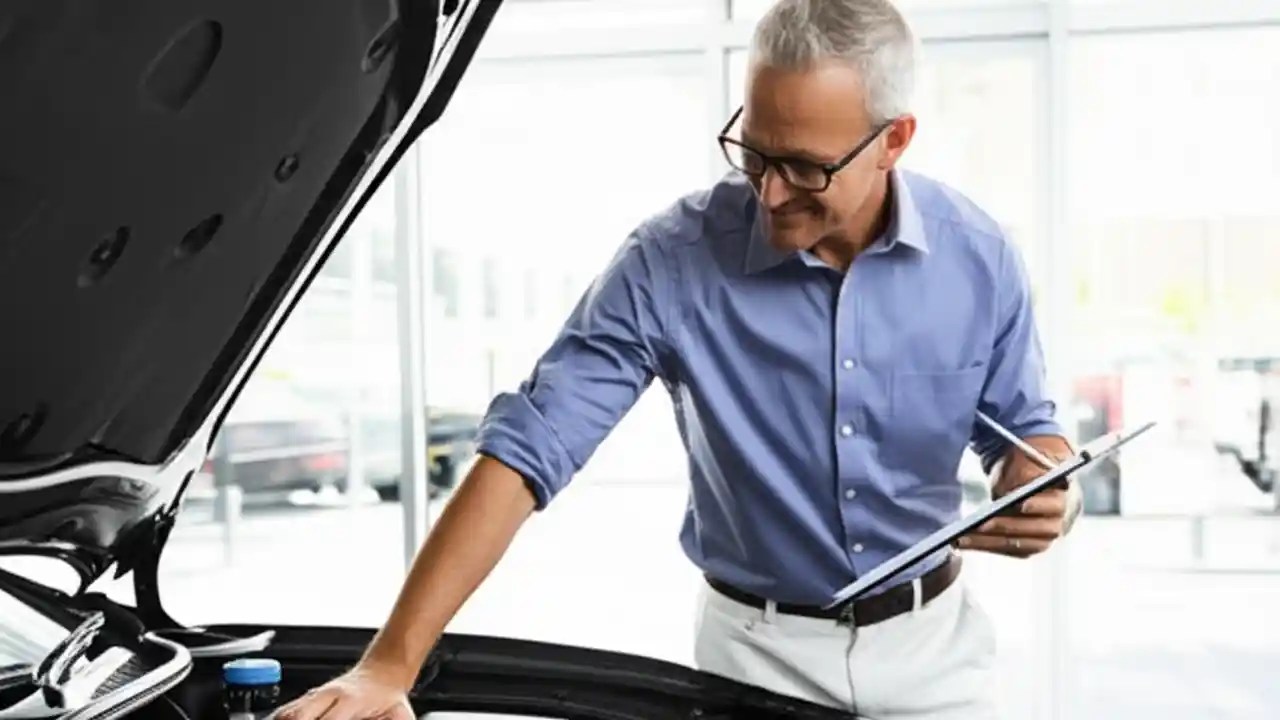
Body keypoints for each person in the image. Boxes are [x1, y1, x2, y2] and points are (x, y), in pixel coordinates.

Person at [275, 0, 1083, 718]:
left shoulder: (978, 256)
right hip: (753, 661)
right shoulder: (672, 260)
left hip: (935, 659)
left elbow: (1026, 435)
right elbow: (529, 450)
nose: (769, 195)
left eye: (805, 167)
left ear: (894, 140)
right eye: (755, 152)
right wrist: (391, 662)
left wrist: (1045, 488)